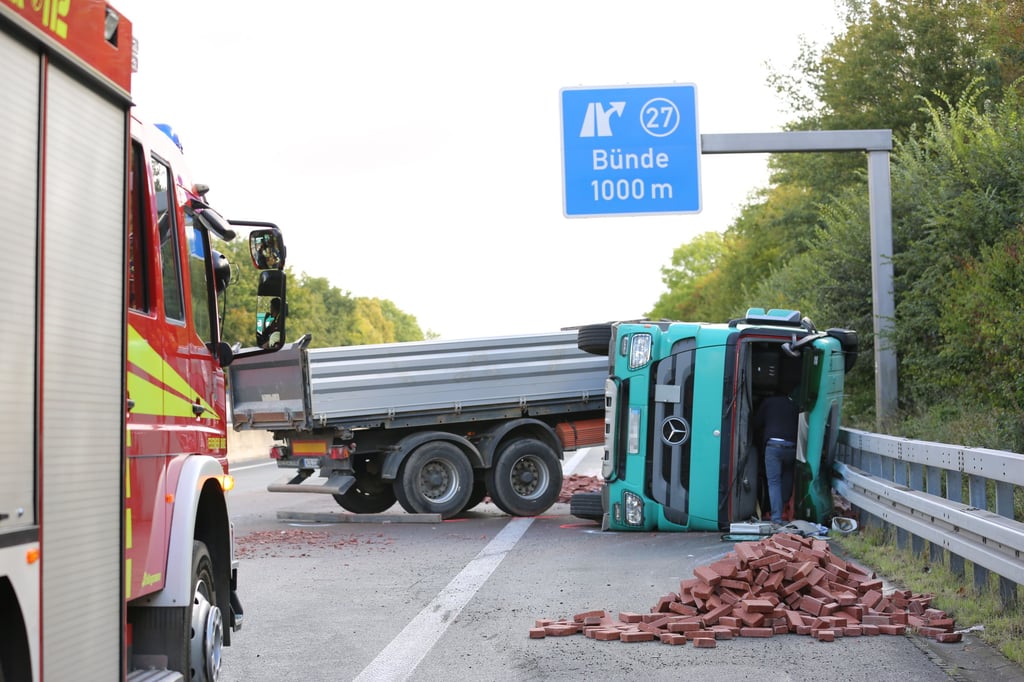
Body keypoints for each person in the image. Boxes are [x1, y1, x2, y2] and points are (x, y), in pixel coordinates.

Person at [753, 393, 800, 526]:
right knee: (788, 477)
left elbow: (757, 423)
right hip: (792, 447)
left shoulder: (768, 402)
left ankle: (776, 518)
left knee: (774, 482)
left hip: (773, 447)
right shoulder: (794, 405)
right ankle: (784, 507)